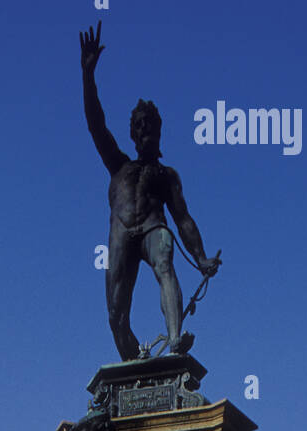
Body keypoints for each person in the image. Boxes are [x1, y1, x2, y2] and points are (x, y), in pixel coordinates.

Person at [80, 22, 220, 360]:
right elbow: (96, 123)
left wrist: (200, 257)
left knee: (165, 263)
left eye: (150, 126)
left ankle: (174, 340)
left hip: (154, 227)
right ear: (133, 133)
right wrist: (87, 76)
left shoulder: (166, 174)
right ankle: (134, 364)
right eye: (139, 126)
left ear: (159, 132)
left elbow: (183, 218)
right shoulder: (118, 164)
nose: (145, 131)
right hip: (120, 232)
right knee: (115, 316)